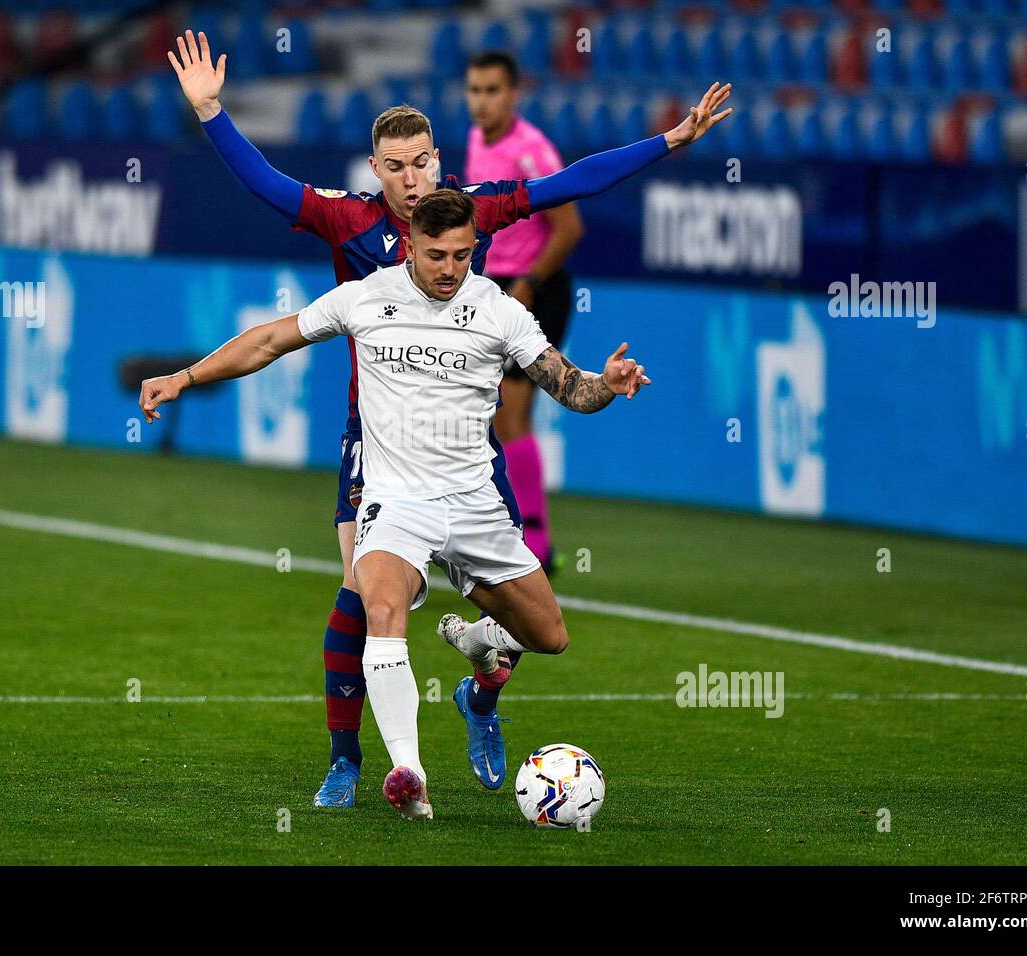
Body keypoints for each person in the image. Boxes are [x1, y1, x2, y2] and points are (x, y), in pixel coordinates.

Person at [167, 28, 732, 806]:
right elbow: (266, 192)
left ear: (438, 159)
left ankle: (481, 693)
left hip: (469, 446)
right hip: (379, 447)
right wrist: (212, 114)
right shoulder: (350, 227)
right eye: (394, 166)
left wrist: (670, 140)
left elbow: (569, 184)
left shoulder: (473, 219)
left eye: (420, 162)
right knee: (362, 599)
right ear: (377, 171)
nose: (408, 178)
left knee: (534, 622)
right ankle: (353, 762)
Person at [138, 190, 651, 819]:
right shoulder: (367, 296)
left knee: (549, 637)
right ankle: (408, 773)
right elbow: (269, 340)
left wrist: (607, 384)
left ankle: (479, 672)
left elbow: (566, 385)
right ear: (409, 244)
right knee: (379, 607)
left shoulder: (497, 308)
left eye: (463, 255)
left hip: (474, 505)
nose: (450, 269)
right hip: (395, 502)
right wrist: (184, 377)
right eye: (437, 255)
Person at [464, 49, 581, 578]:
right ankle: (507, 531)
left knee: (511, 412)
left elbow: (569, 228)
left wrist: (528, 284)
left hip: (536, 289)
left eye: (492, 91)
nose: (482, 101)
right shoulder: (472, 142)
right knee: (487, 415)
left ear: (514, 94)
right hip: (493, 290)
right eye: (475, 90)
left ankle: (535, 539)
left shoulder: (532, 150)